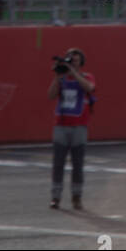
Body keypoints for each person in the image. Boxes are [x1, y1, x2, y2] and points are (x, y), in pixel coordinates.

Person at [48, 47, 96, 210]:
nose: (72, 63)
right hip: (61, 126)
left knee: (77, 164)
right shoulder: (62, 78)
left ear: (81, 62)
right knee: (58, 164)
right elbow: (50, 95)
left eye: (75, 60)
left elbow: (89, 88)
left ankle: (76, 197)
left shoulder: (86, 76)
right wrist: (58, 76)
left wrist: (73, 72)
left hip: (79, 127)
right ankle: (55, 197)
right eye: (70, 60)